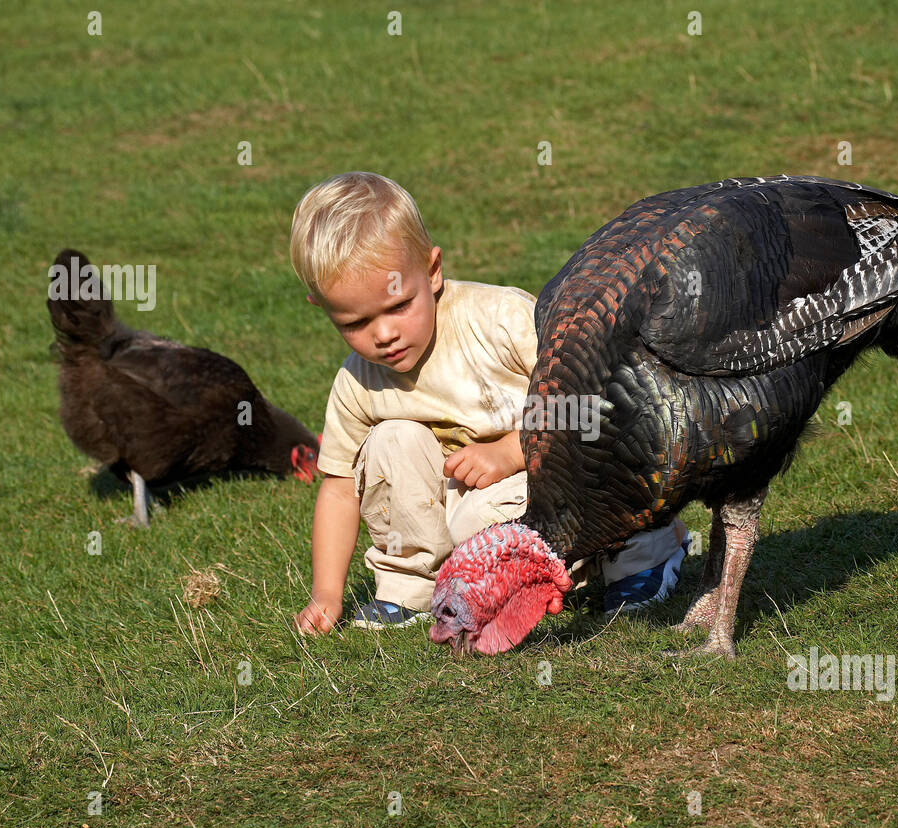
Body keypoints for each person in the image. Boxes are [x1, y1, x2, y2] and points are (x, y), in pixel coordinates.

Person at [288, 172, 688, 633]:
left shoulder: (499, 322)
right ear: (322, 308)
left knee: (488, 514)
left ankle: (643, 552)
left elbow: (593, 401)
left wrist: (510, 451)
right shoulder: (358, 383)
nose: (383, 334)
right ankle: (411, 588)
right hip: (486, 506)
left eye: (399, 306)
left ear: (432, 271)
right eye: (355, 322)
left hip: (563, 472)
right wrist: (326, 595)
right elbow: (339, 489)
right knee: (389, 442)